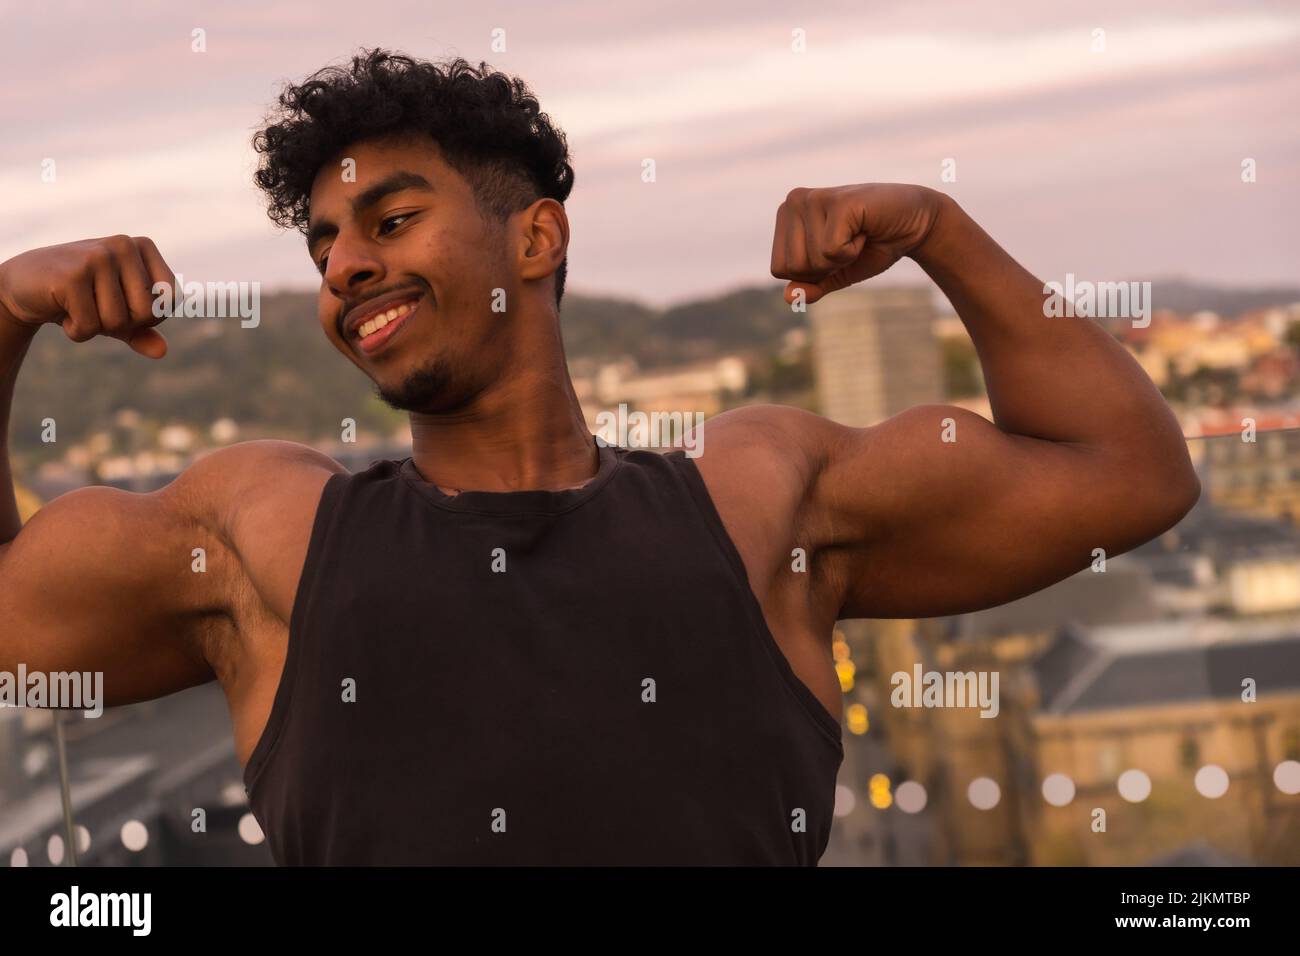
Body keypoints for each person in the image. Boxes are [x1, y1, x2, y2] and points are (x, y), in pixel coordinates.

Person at [0, 49, 1199, 865]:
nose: (344, 266)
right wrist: (6, 307)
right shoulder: (269, 528)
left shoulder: (752, 496)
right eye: (324, 246)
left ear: (537, 236)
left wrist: (940, 227)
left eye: (392, 218)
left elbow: (1127, 472)